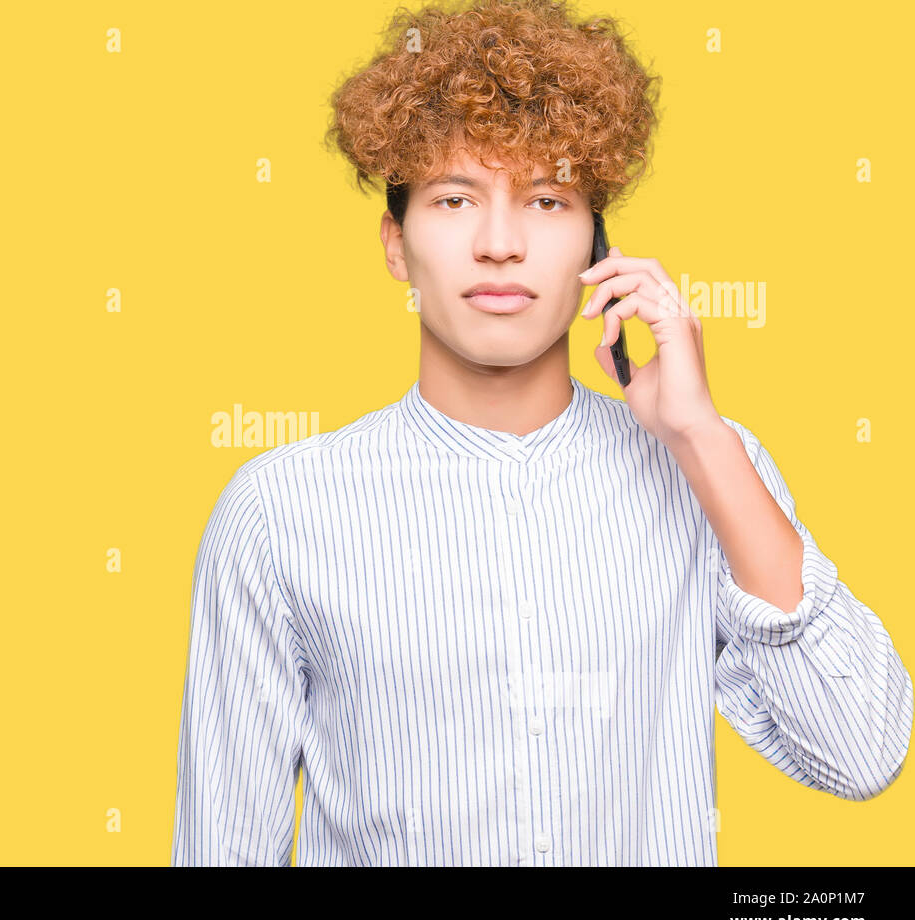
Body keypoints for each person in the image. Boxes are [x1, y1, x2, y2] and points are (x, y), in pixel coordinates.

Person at [170, 0, 913, 866]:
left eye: (547, 199)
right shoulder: (277, 512)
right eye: (455, 198)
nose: (499, 243)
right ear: (396, 245)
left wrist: (704, 439)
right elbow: (223, 846)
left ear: (599, 247)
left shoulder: (706, 470)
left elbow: (864, 750)